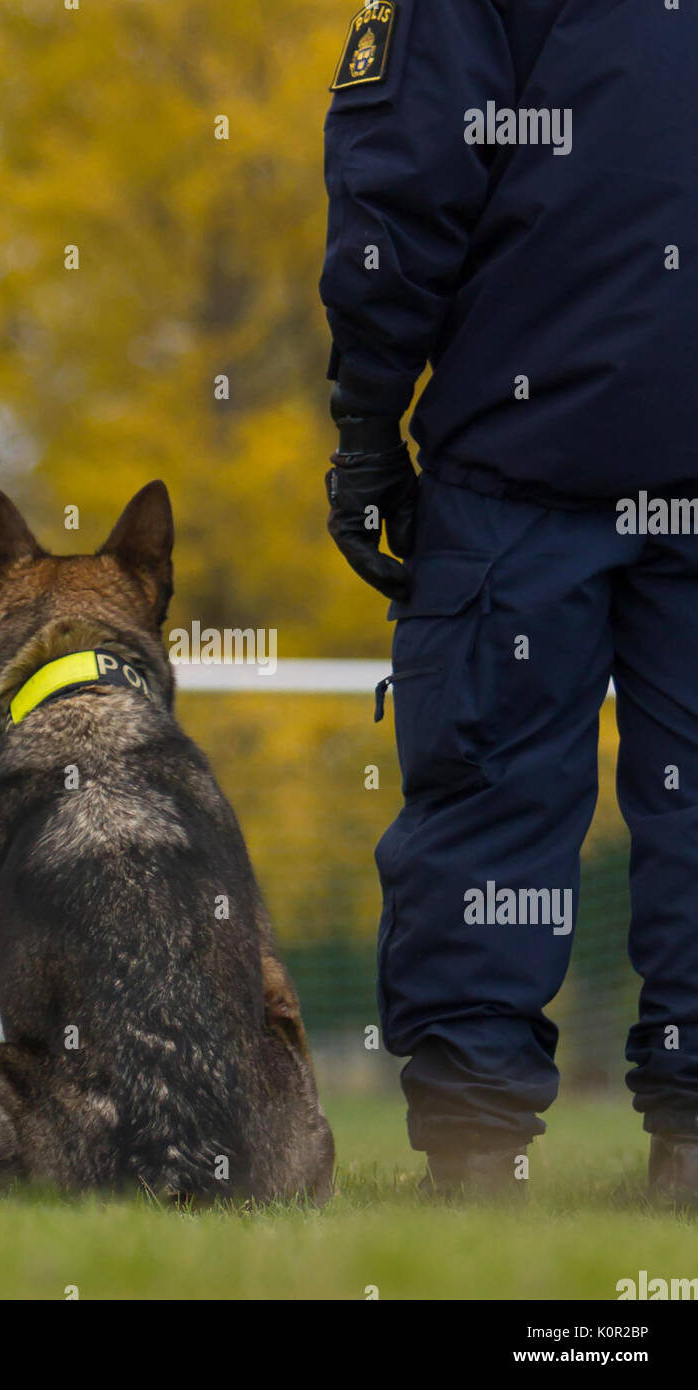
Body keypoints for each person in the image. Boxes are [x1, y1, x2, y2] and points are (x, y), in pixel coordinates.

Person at [320, 0, 698, 1198]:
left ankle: (476, 1167)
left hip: (521, 454)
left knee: (489, 795)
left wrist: (368, 426)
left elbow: (404, 178)